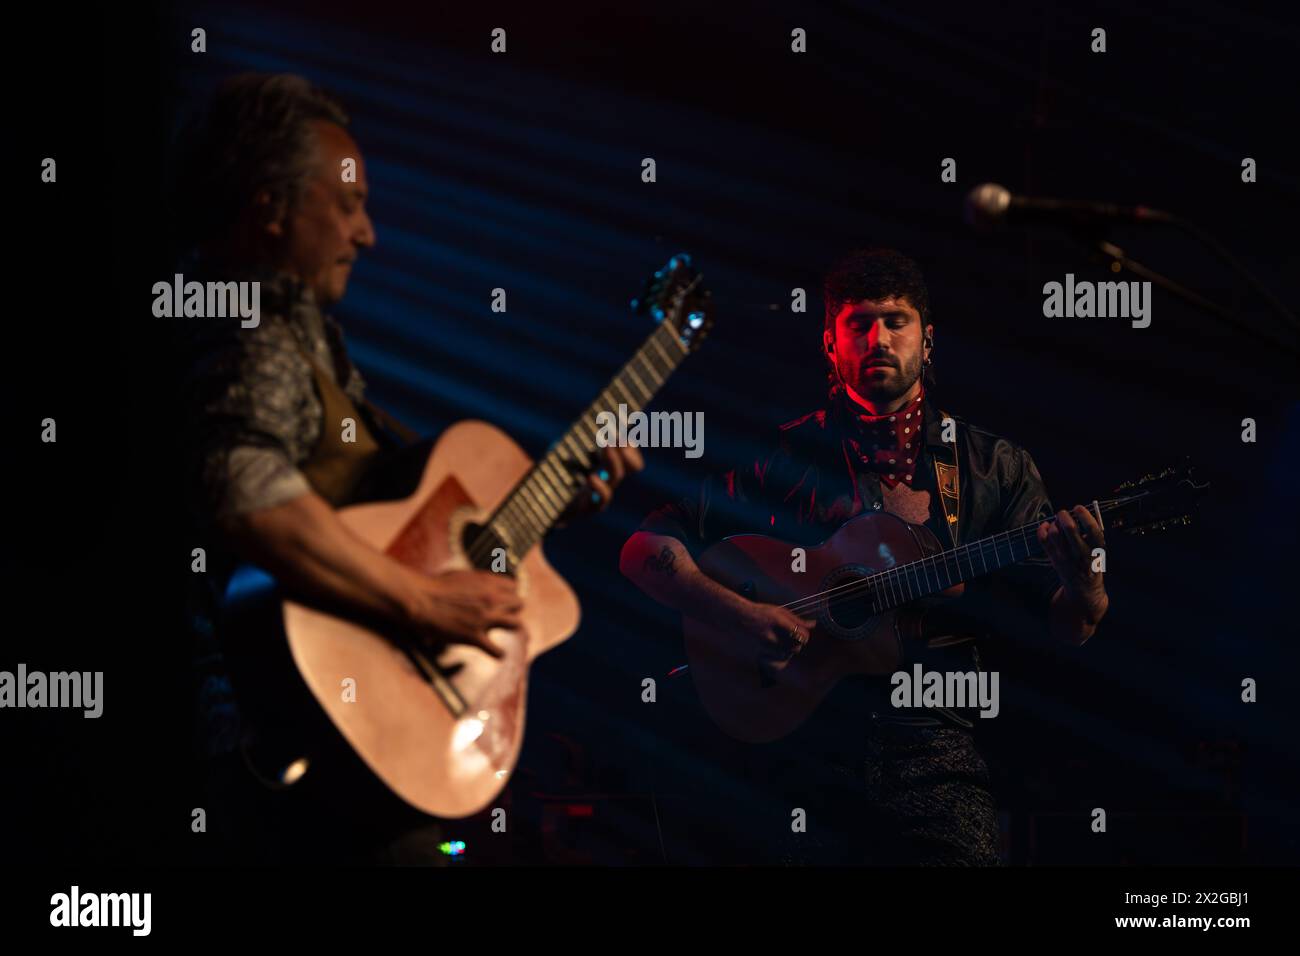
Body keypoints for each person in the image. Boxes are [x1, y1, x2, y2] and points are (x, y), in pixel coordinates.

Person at [169, 73, 642, 864]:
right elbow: (245, 493)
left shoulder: (299, 340)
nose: (368, 235)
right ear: (270, 207)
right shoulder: (246, 328)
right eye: (348, 204)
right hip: (259, 761)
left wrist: (553, 501)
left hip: (311, 753)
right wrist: (422, 602)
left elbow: (388, 519)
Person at [620, 247, 1108, 865]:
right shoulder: (780, 455)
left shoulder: (994, 467)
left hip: (933, 751)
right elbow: (642, 549)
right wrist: (735, 614)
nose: (878, 338)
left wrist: (1086, 582)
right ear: (830, 343)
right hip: (793, 754)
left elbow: (1074, 626)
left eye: (895, 321)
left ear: (927, 341)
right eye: (858, 324)